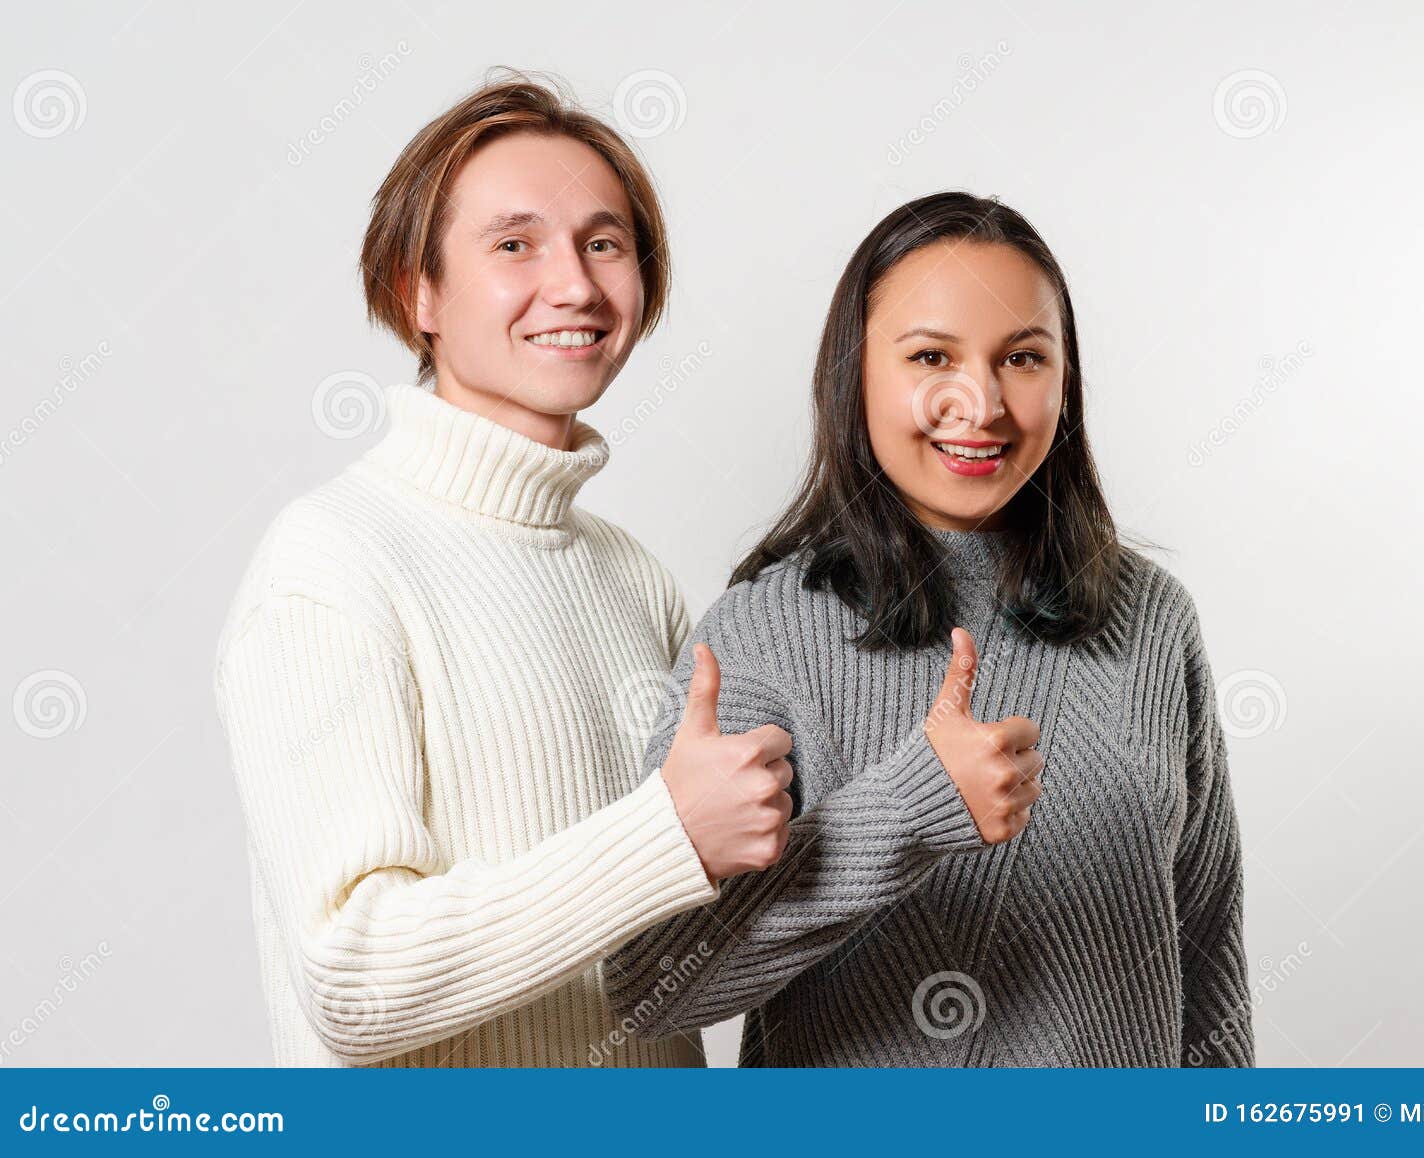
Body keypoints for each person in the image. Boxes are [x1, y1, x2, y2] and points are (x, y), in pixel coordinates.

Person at [212, 73, 792, 1067]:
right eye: (515, 244)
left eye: (603, 243)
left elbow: (669, 955)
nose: (573, 285)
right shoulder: (332, 561)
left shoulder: (633, 577)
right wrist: (669, 837)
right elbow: (354, 984)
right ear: (417, 291)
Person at [605, 191, 1254, 1066]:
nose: (979, 403)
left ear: (1066, 379)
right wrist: (911, 811)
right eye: (930, 356)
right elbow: (649, 987)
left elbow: (1207, 951)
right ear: (857, 375)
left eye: (1022, 357)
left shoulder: (1152, 619)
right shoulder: (762, 630)